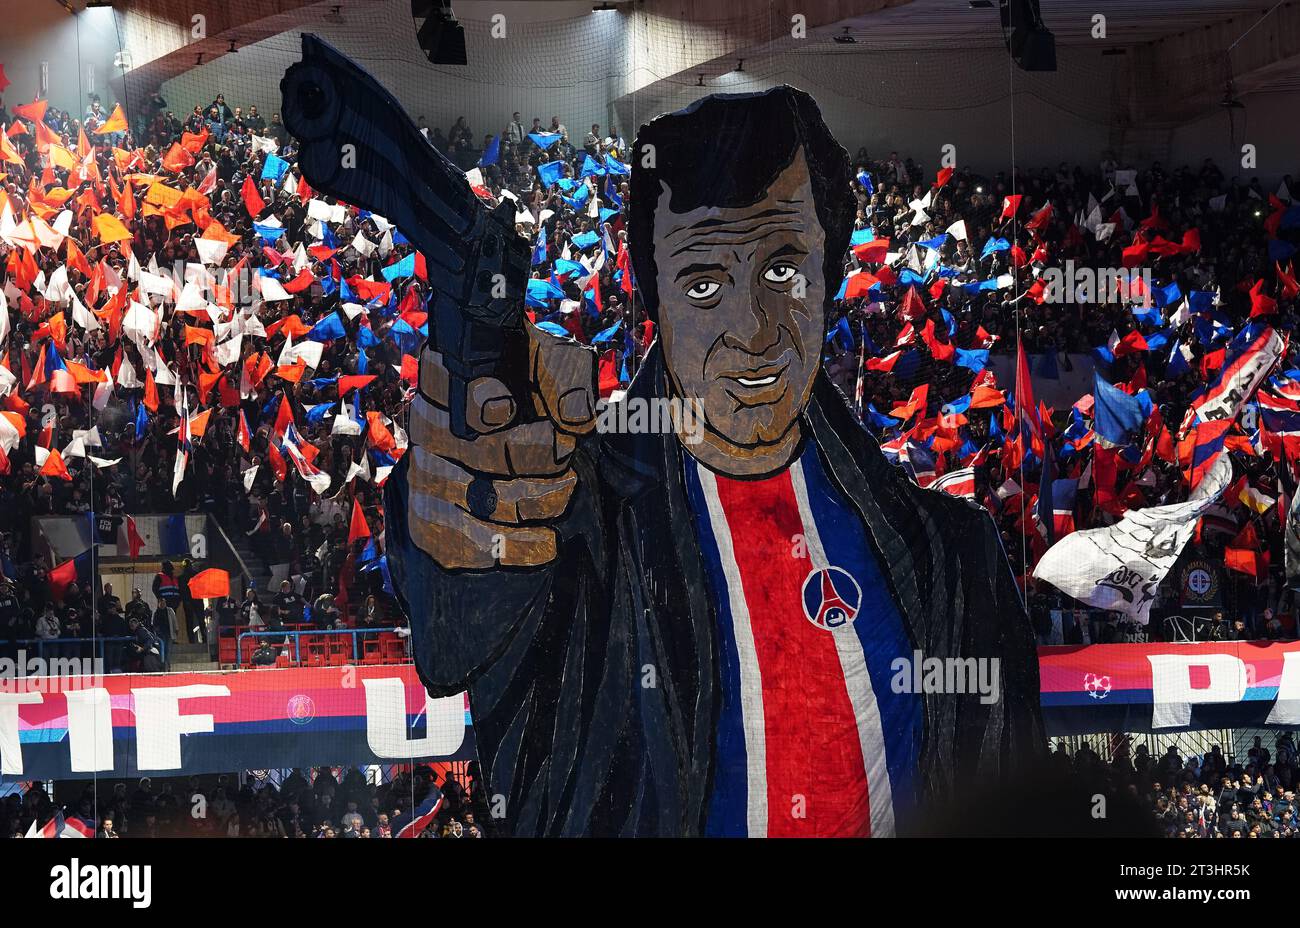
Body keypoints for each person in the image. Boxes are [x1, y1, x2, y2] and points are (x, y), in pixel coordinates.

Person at [380, 85, 1043, 836]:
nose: (752, 328)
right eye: (703, 284)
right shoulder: (574, 522)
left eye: (783, 269)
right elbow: (455, 624)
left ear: (831, 279)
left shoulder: (957, 562)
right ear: (652, 302)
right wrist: (462, 478)